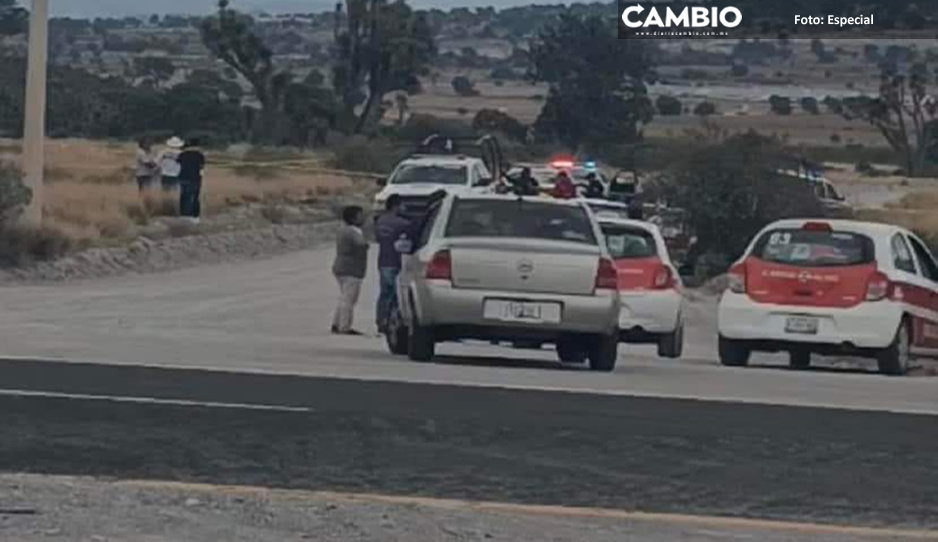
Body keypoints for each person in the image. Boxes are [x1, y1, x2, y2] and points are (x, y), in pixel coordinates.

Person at [374, 195, 413, 333]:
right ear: (396, 205)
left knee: (384, 293)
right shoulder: (403, 224)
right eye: (402, 205)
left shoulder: (380, 221)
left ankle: (381, 320)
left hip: (383, 261)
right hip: (397, 262)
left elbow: (378, 239)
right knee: (396, 295)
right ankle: (393, 320)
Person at [332, 205, 369, 335]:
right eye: (360, 215)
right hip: (351, 270)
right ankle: (344, 327)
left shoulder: (342, 230)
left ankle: (337, 323)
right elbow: (361, 244)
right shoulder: (354, 232)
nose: (363, 218)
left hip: (340, 267)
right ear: (354, 218)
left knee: (343, 297)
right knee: (349, 299)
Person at [177, 138, 206, 223]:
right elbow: (202, 166)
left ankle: (184, 214)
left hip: (183, 177)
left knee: (184, 196)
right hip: (195, 177)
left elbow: (178, 163)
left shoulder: (183, 154)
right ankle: (195, 215)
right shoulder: (200, 155)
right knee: (195, 196)